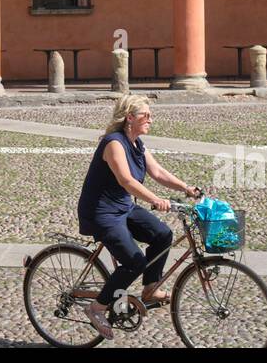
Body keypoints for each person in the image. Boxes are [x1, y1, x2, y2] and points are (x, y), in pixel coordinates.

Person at [77, 94, 201, 340]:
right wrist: (155, 200)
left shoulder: (136, 144)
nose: (150, 120)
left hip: (123, 207)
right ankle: (96, 308)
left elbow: (157, 172)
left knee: (162, 235)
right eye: (146, 115)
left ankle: (150, 288)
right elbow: (126, 180)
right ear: (129, 118)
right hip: (102, 212)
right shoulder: (114, 143)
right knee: (135, 262)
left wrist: (186, 188)